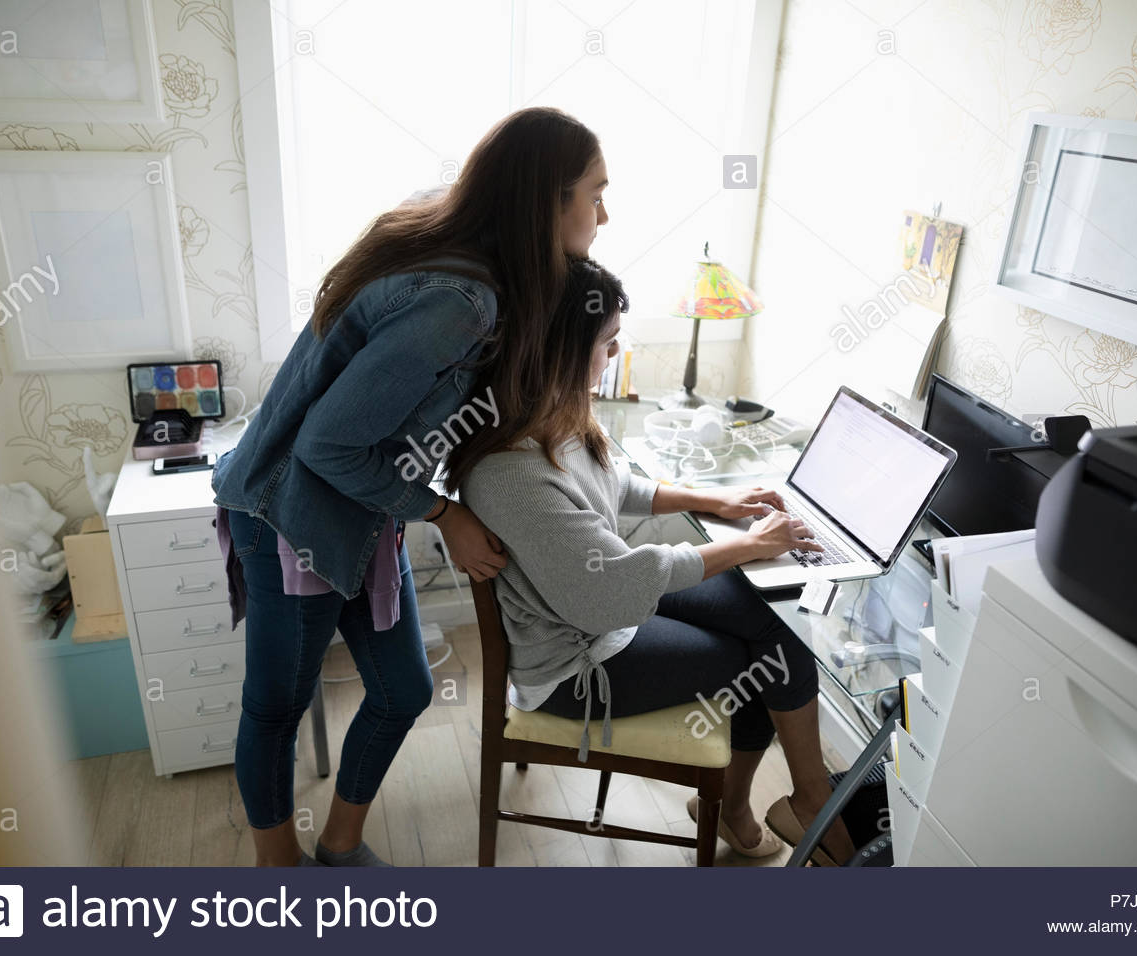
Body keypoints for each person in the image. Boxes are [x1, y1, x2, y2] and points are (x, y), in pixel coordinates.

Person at [211, 107, 612, 867]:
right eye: (595, 192)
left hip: (362, 508)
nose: (604, 212)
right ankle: (278, 869)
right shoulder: (458, 302)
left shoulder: (467, 249)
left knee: (402, 690)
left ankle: (339, 846)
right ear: (544, 199)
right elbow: (330, 445)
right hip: (291, 515)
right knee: (276, 707)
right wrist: (440, 513)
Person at [450, 257, 857, 865]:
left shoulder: (552, 413)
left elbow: (616, 485)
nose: (614, 355)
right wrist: (747, 544)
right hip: (577, 662)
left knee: (776, 619)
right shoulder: (509, 472)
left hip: (601, 605)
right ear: (560, 347)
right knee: (767, 656)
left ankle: (802, 799)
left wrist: (715, 499)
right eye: (607, 342)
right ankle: (783, 806)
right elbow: (612, 590)